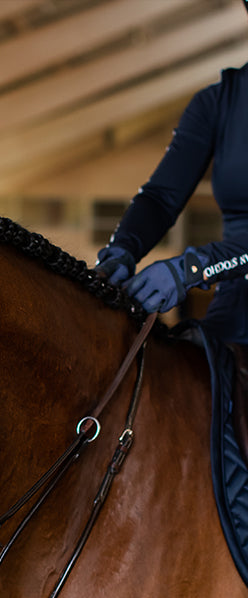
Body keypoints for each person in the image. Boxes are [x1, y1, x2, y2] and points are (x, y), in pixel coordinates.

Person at [96, 0, 248, 344]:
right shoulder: (217, 102)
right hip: (235, 304)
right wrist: (122, 250)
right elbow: (161, 197)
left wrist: (192, 268)